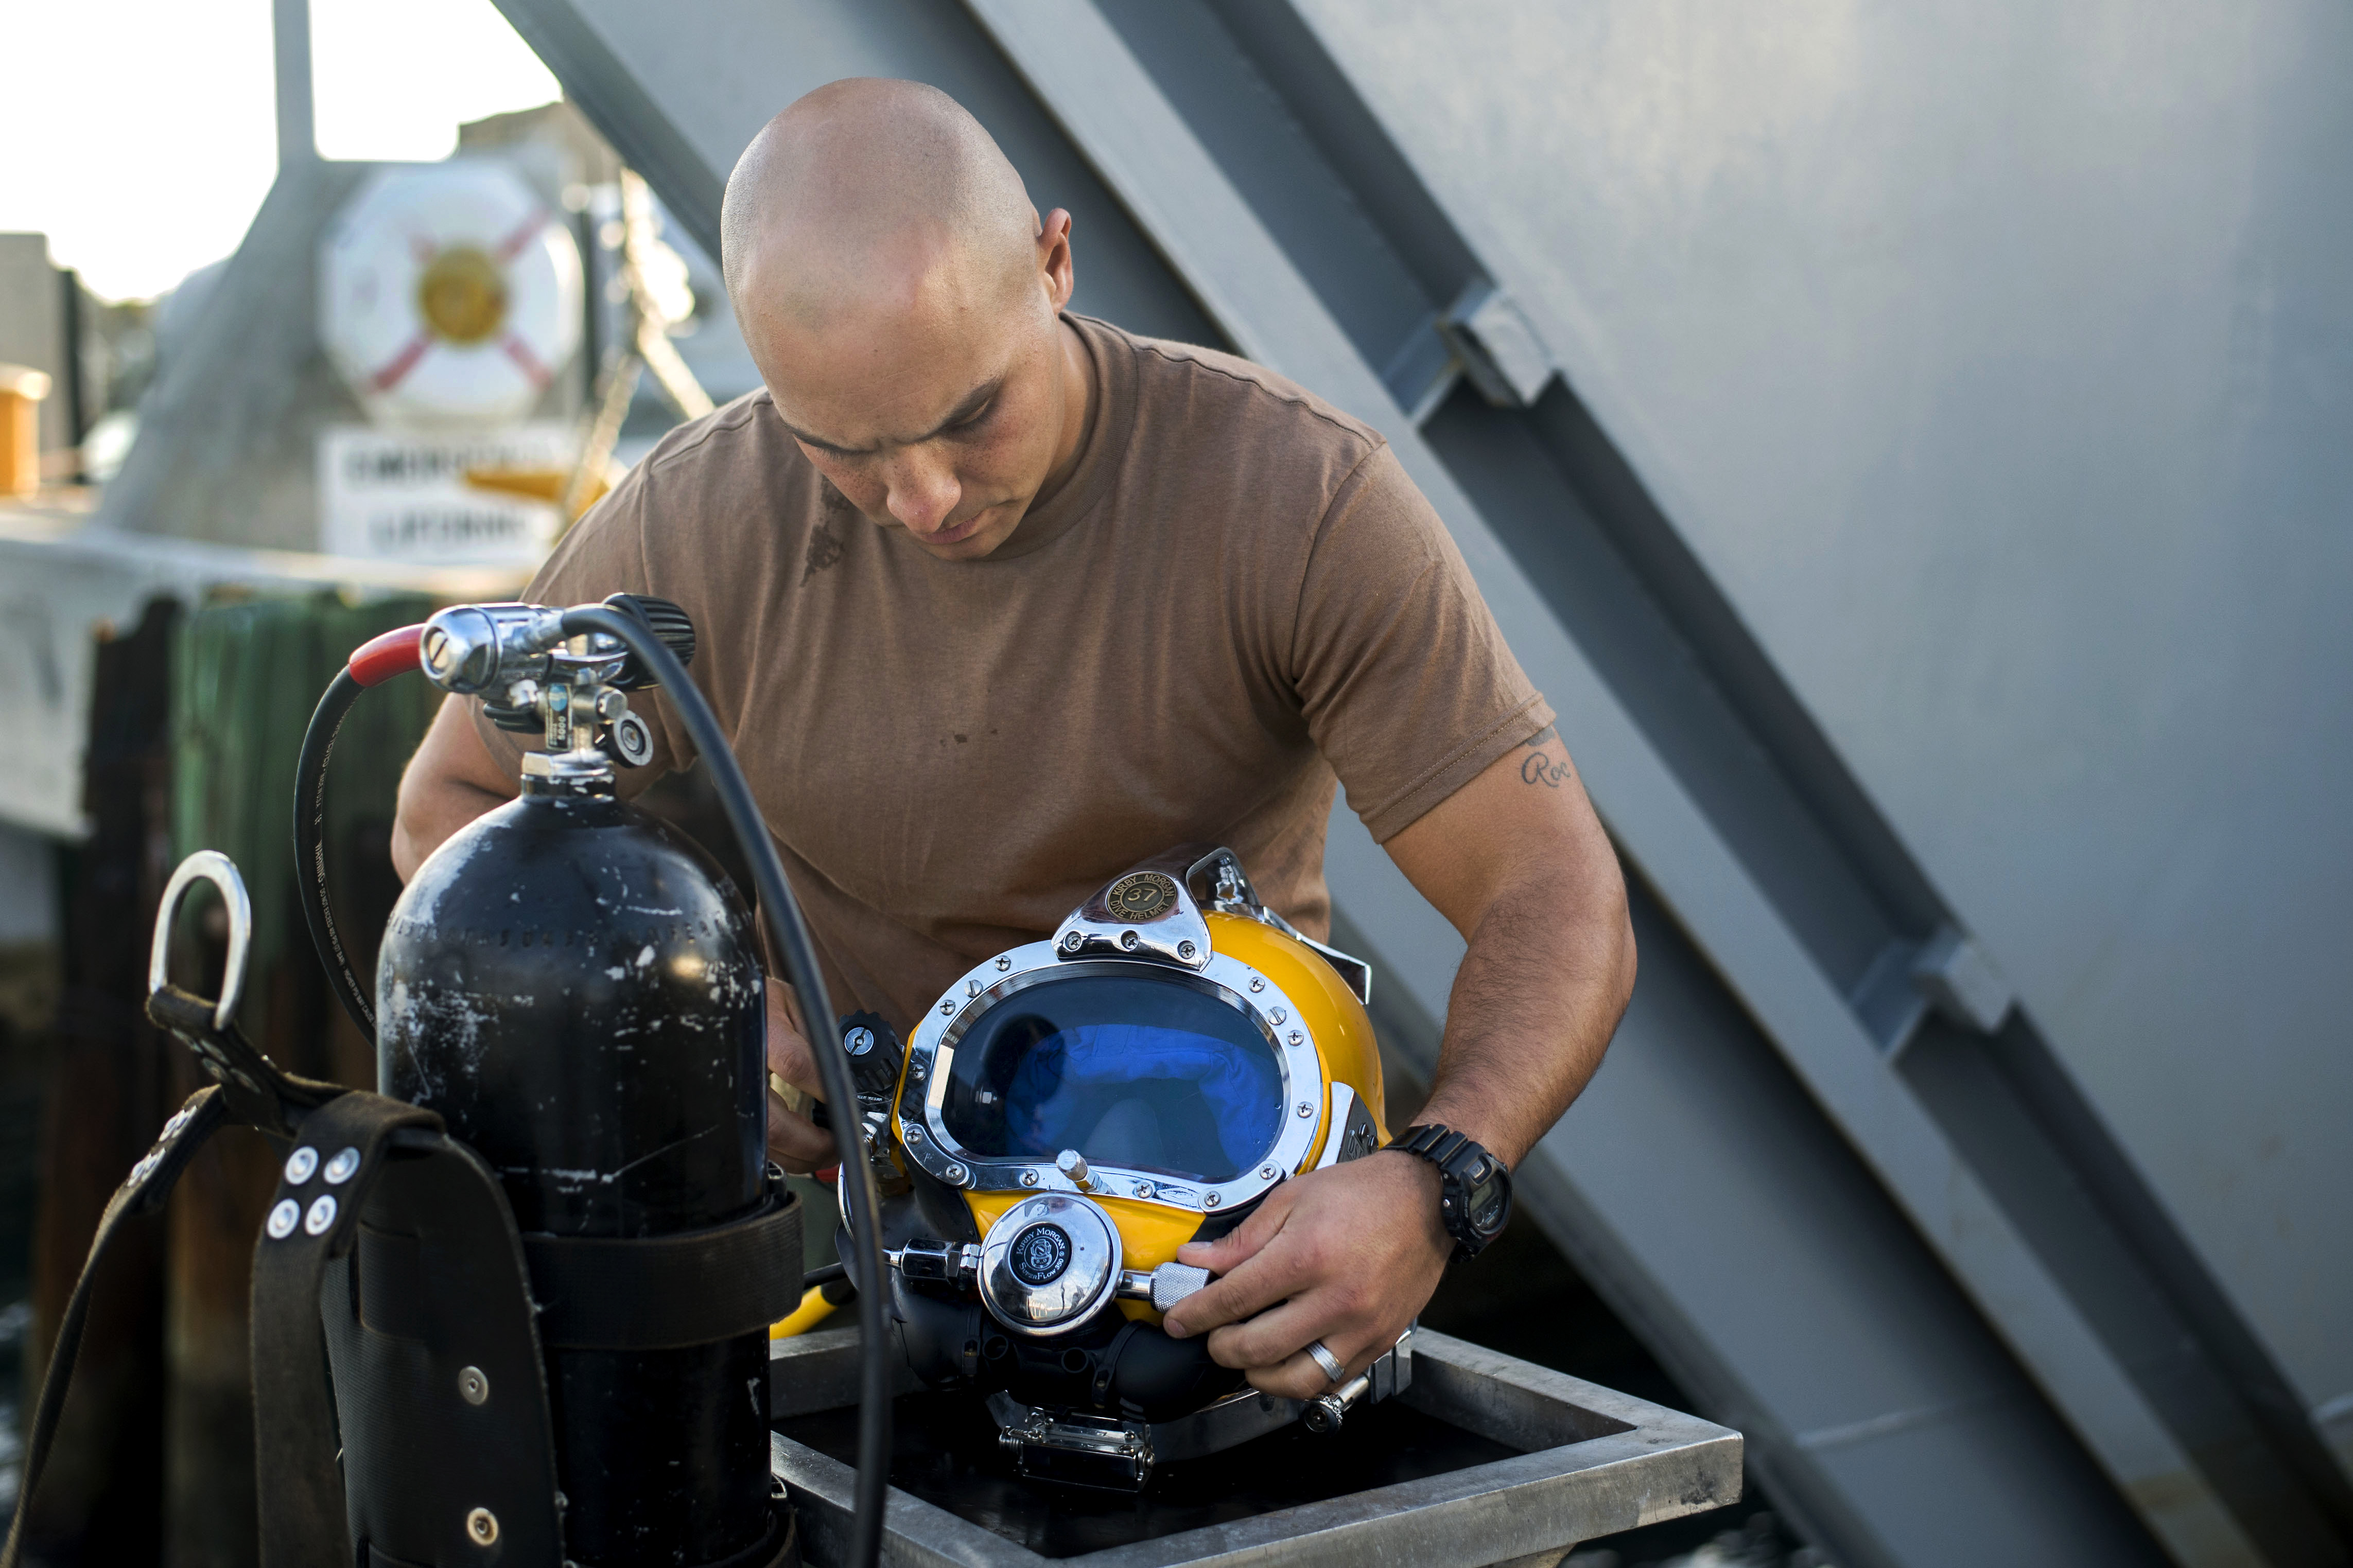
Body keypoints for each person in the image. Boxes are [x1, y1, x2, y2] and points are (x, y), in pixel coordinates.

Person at [391, 77, 1635, 1402]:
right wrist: (708, 1031)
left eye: (972, 415)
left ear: (1054, 262)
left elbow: (1556, 893)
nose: (923, 500)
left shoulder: (1295, 497)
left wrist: (1438, 1182)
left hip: (1238, 1273)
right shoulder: (694, 528)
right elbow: (451, 805)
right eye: (843, 453)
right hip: (898, 1263)